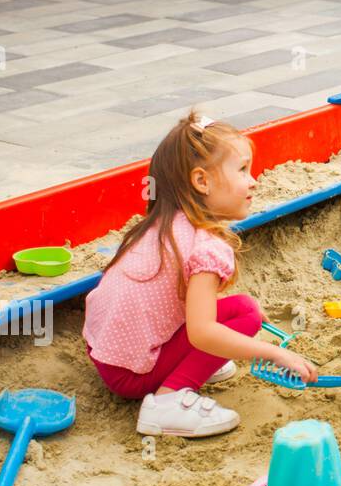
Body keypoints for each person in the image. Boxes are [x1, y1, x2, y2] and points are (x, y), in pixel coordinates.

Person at [82, 110, 316, 437]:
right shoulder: (206, 246)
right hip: (131, 374)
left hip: (105, 352)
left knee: (241, 309)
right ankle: (167, 402)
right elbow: (202, 333)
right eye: (243, 170)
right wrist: (275, 352)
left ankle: (194, 365)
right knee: (246, 318)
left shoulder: (166, 223)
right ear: (202, 181)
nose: (253, 181)